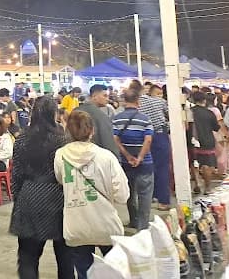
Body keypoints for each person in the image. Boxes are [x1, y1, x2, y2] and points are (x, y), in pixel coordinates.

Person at [54, 110, 129, 279]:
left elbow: (60, 179)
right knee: (115, 271)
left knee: (84, 272)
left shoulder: (60, 155)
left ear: (68, 131)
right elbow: (123, 194)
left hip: (76, 223)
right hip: (105, 222)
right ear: (92, 130)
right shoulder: (106, 157)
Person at [9, 96, 73, 279]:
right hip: (59, 197)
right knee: (65, 256)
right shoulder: (63, 138)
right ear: (54, 113)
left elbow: (17, 174)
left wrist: (18, 199)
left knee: (28, 257)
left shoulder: (22, 139)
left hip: (30, 196)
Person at [112, 89, 154, 230]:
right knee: (145, 195)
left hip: (125, 163)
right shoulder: (145, 119)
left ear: (124, 102)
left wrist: (128, 156)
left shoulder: (117, 119)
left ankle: (133, 220)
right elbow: (148, 140)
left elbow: (116, 139)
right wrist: (140, 158)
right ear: (138, 102)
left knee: (129, 193)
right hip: (145, 163)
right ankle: (142, 227)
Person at [131, 79, 171, 210]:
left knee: (148, 168)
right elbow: (170, 115)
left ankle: (151, 196)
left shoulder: (136, 104)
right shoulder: (159, 101)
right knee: (163, 169)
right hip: (159, 136)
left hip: (142, 138)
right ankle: (163, 201)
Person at [77, 85, 118, 157]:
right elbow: (108, 142)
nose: (107, 99)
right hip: (96, 158)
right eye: (105, 96)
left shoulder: (75, 112)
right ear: (94, 96)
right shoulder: (101, 116)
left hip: (75, 155)